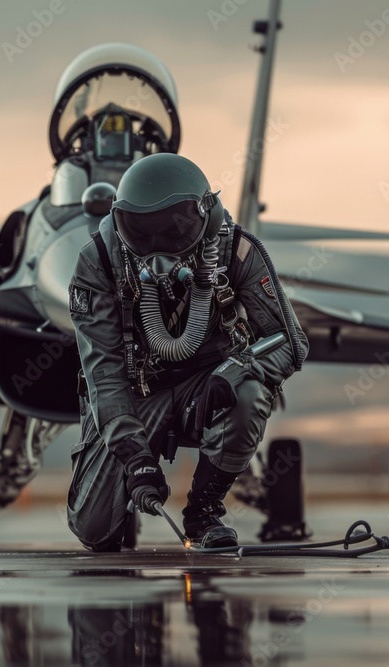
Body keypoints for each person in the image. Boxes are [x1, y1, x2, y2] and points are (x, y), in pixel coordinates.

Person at [66, 153, 308, 551]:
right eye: (141, 230)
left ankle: (204, 512)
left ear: (203, 216)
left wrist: (236, 370)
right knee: (93, 530)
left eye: (175, 226)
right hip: (134, 394)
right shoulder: (100, 262)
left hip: (209, 386)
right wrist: (136, 458)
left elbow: (291, 341)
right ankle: (123, 496)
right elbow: (104, 375)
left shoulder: (237, 253)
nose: (158, 246)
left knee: (248, 394)